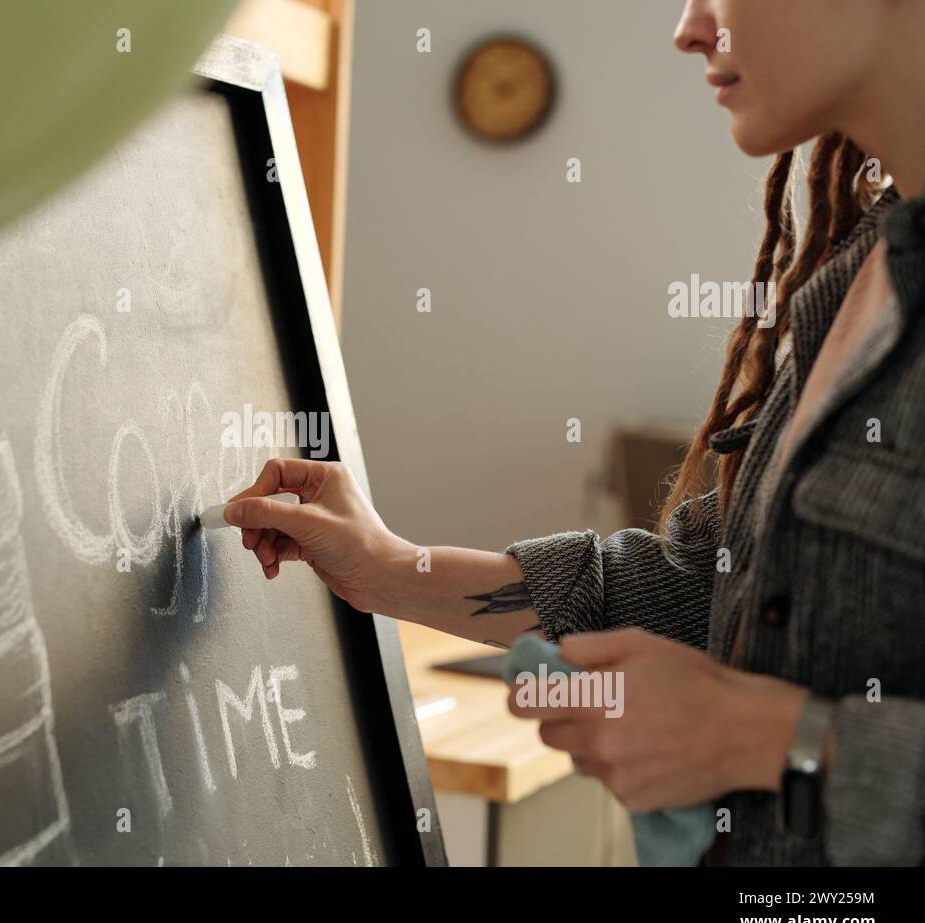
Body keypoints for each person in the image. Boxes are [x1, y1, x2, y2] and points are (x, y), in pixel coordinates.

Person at [222, 0, 925, 866]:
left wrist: (770, 738)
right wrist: (394, 570)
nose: (691, 27)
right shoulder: (857, 271)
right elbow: (705, 586)